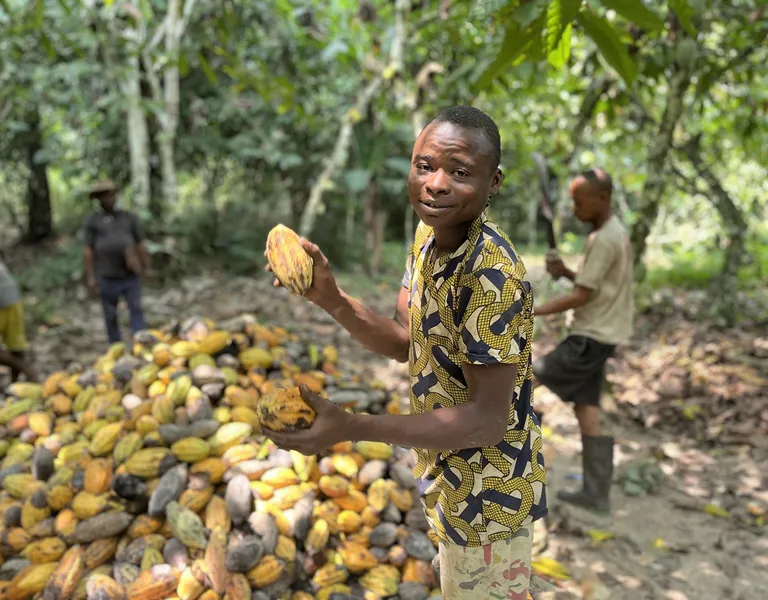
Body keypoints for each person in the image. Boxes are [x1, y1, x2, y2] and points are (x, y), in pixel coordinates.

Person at [263, 106, 546, 600]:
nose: (435, 184)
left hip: (488, 497)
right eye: (424, 166)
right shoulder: (428, 237)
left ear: (493, 182)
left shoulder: (490, 276)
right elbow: (405, 341)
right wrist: (329, 296)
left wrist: (354, 427)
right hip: (445, 478)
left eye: (460, 172)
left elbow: (486, 420)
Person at [533, 168, 634, 513]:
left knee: (526, 377)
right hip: (600, 335)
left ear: (602, 198)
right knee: (587, 410)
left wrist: (532, 310)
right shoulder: (608, 233)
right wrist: (565, 272)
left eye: (579, 202)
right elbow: (592, 283)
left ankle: (496, 459)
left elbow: (582, 296)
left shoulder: (605, 238)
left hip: (589, 337)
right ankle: (596, 492)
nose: (574, 209)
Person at [83, 180, 150, 344]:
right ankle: (115, 346)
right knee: (110, 314)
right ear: (98, 199)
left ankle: (141, 342)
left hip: (129, 274)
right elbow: (88, 251)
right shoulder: (93, 221)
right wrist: (91, 277)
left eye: (111, 194)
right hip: (106, 275)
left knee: (136, 309)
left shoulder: (128, 217)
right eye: (104, 195)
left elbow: (140, 244)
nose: (109, 198)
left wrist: (145, 266)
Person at [0, 254, 36, 381]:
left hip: (5, 295)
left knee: (15, 347)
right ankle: (15, 385)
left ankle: (26, 370)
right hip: (12, 294)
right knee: (16, 345)